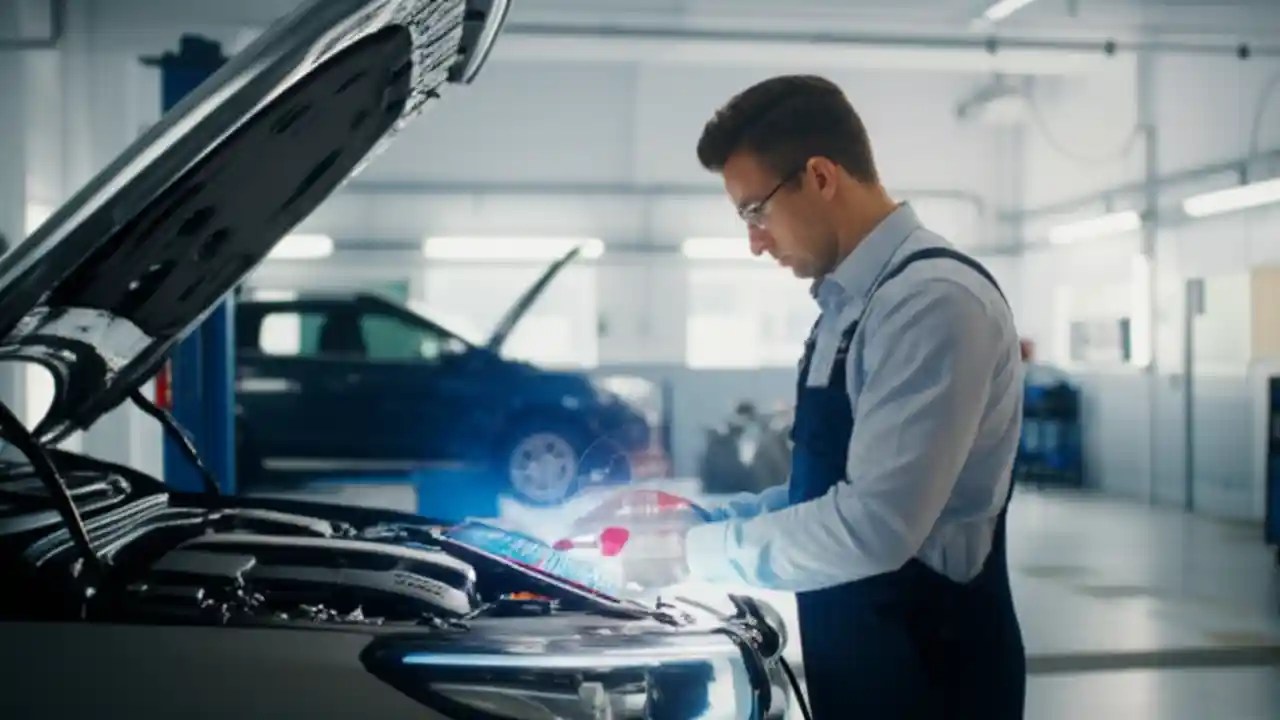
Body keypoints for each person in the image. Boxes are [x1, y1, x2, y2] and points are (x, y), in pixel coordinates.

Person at [577, 75, 1026, 718]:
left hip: (934, 677)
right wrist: (694, 519)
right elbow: (822, 497)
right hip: (865, 662)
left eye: (755, 211)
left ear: (819, 176)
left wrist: (685, 554)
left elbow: (876, 525)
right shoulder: (848, 308)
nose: (755, 241)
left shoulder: (934, 303)